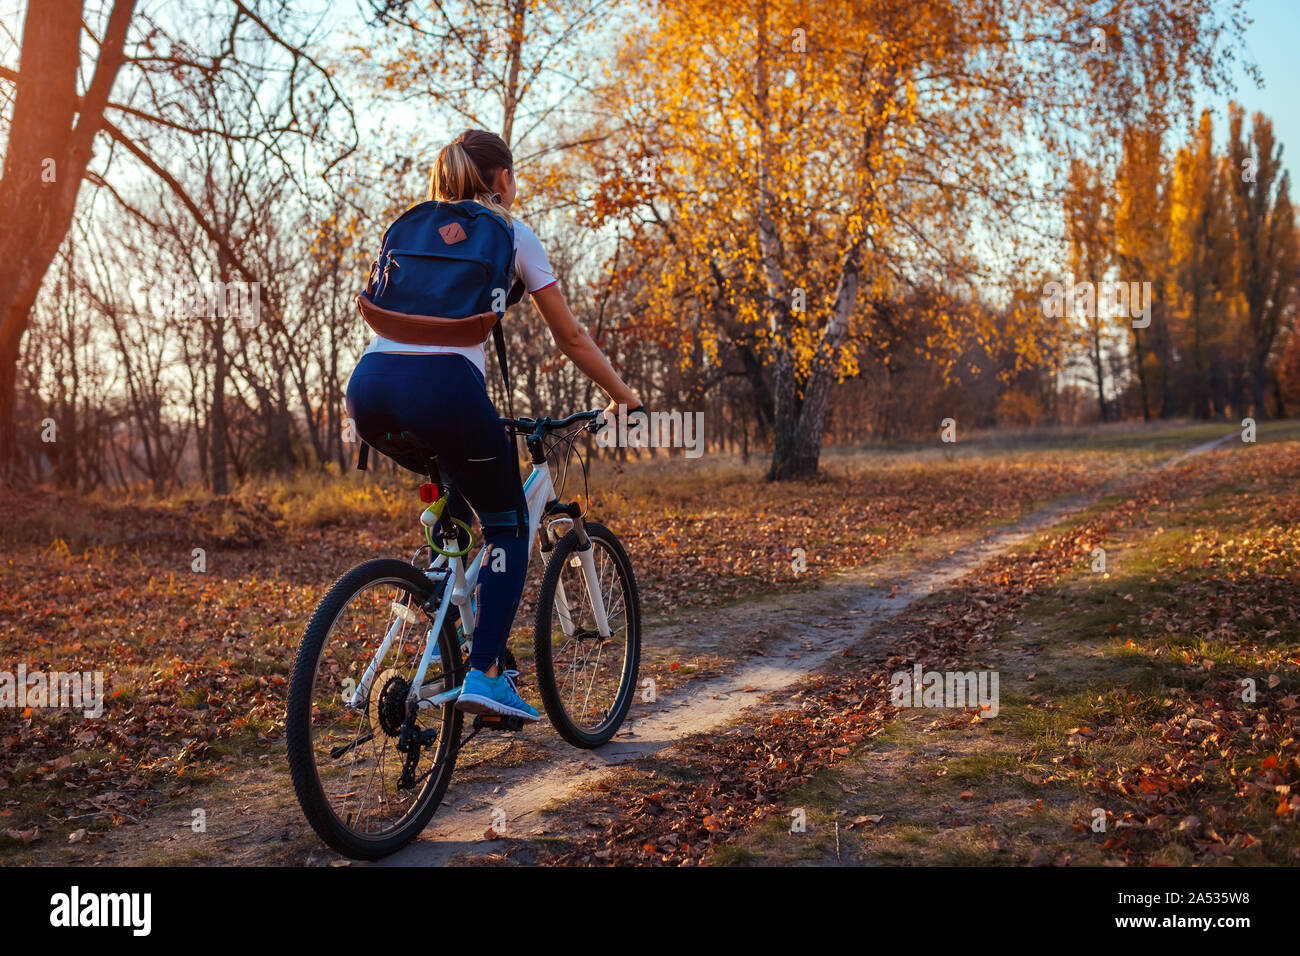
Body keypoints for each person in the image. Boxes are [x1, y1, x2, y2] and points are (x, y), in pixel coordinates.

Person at [345, 129, 642, 722]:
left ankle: (444, 593)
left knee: (459, 495)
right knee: (508, 527)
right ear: (502, 179)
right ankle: (485, 675)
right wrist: (624, 396)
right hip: (447, 395)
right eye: (514, 175)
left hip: (370, 391)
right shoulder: (511, 232)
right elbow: (571, 337)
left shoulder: (412, 227)